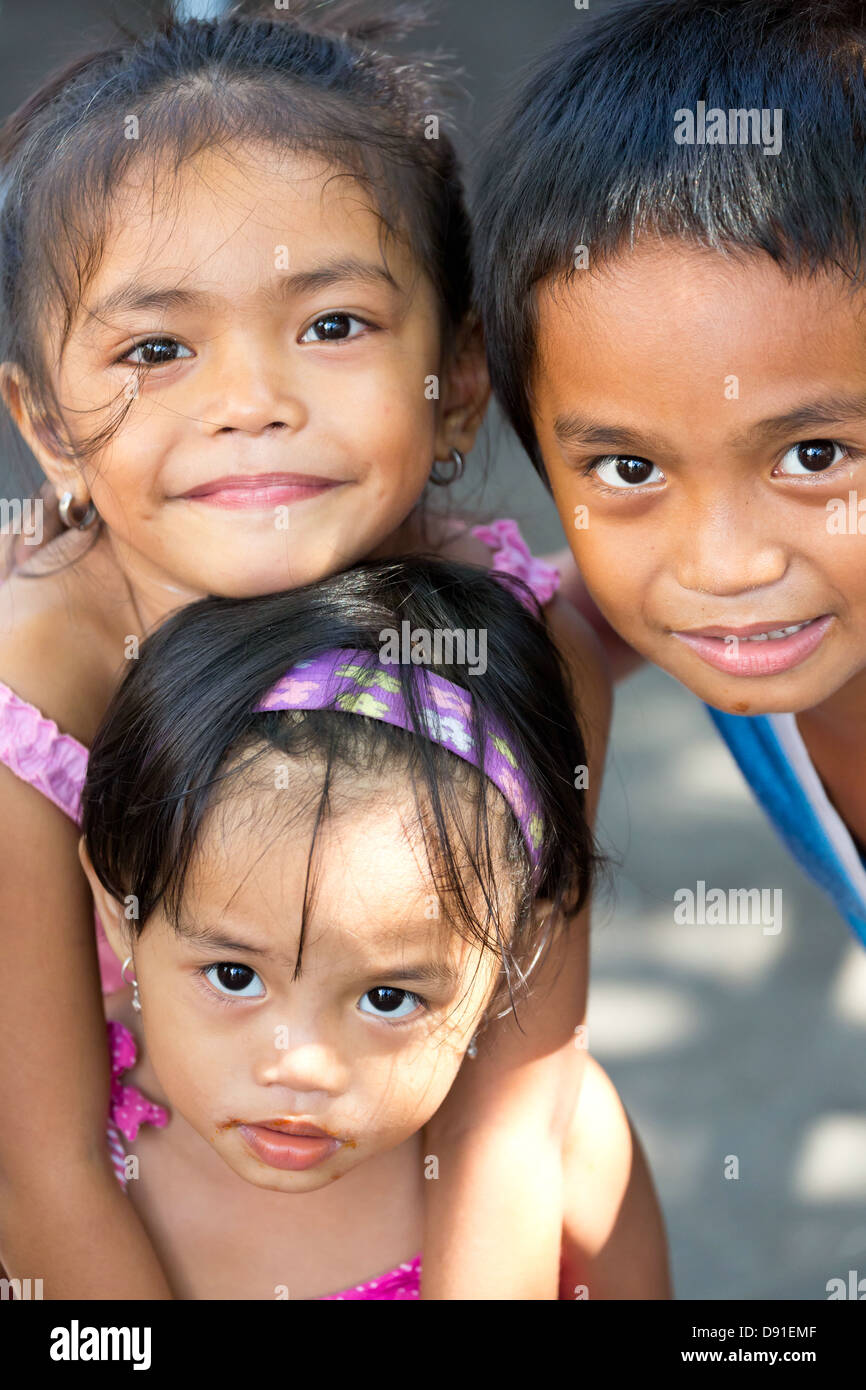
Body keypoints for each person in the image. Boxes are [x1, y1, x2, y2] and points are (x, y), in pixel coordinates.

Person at [0, 3, 610, 1298]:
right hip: (107, 1229)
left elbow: (515, 1102)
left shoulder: (506, 632)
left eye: (330, 323)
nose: (251, 401)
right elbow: (37, 1171)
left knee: (588, 1129)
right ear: (48, 425)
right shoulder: (27, 691)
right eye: (157, 348)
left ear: (454, 375)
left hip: (370, 1154)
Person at [78, 557, 670, 1299]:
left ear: (510, 956)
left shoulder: (569, 1136)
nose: (302, 1067)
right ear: (118, 910)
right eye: (234, 976)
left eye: (389, 998)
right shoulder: (60, 1150)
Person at [473, 0, 866, 947]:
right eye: (630, 467)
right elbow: (553, 619)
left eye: (813, 457)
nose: (722, 566)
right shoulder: (735, 617)